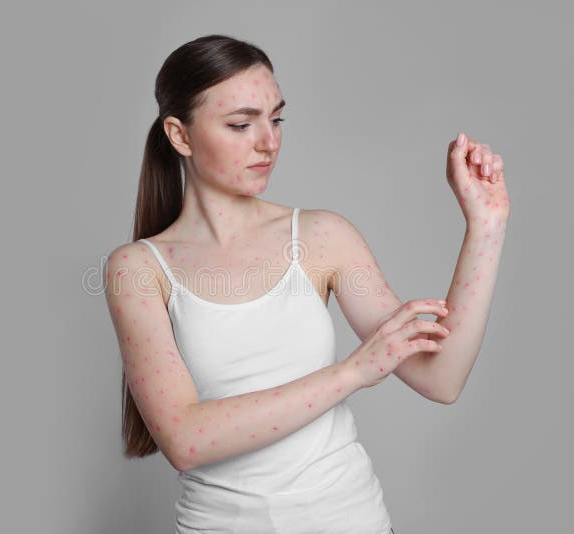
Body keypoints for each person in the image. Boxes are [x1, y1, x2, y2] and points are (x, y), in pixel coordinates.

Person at [104, 34, 508, 534]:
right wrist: (353, 373)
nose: (268, 142)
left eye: (275, 119)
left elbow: (440, 378)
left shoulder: (322, 237)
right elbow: (185, 441)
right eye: (240, 124)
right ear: (180, 135)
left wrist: (485, 226)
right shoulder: (137, 270)